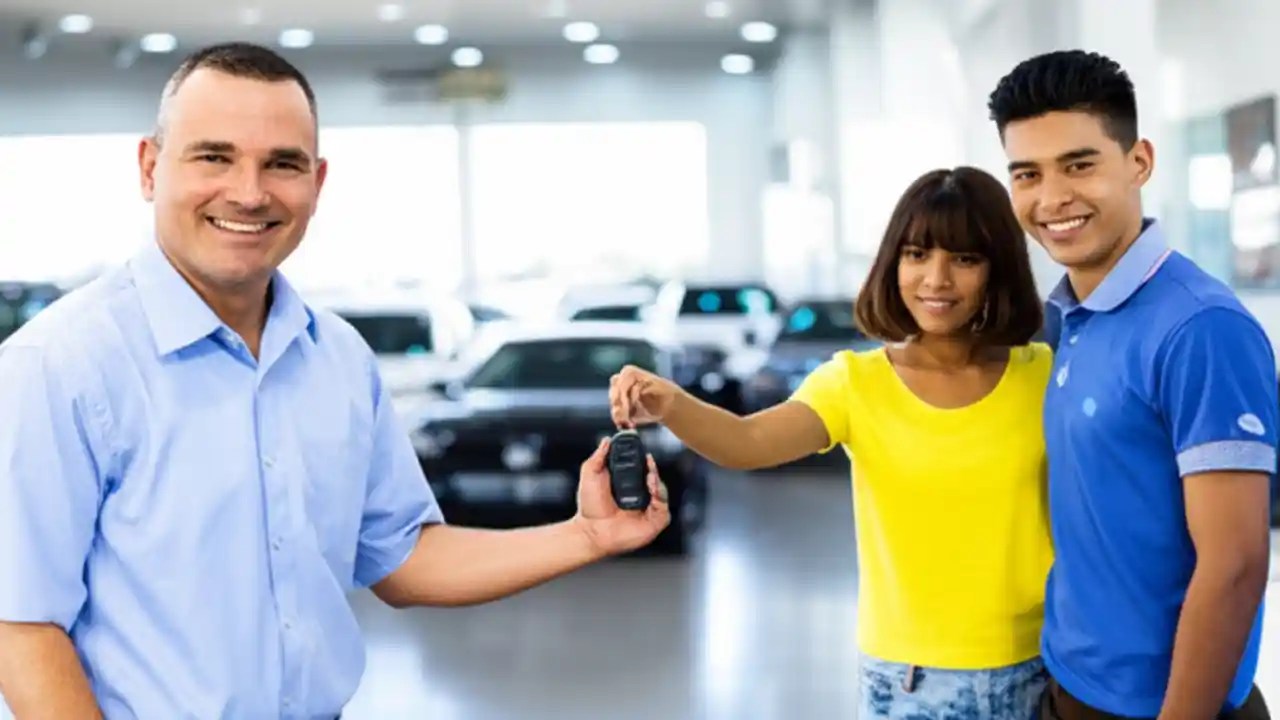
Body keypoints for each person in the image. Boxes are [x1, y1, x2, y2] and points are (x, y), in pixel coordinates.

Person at [0, 42, 670, 719]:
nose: (249, 192)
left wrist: (585, 535)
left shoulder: (338, 359)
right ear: (150, 168)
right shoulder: (60, 366)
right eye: (214, 156)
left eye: (282, 164)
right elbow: (20, 624)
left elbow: (402, 558)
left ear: (317, 183)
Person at [611, 166, 1052, 719]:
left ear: (999, 269)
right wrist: (671, 403)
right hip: (914, 685)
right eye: (917, 254)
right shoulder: (855, 383)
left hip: (1044, 672)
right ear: (893, 263)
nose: (936, 279)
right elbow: (748, 443)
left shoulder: (1045, 374)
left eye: (964, 258)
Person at [988, 50, 1275, 720]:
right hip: (1069, 687)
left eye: (1079, 164)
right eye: (1027, 174)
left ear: (1139, 162)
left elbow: (1235, 565)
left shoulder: (1200, 328)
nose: (1052, 197)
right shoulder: (1067, 320)